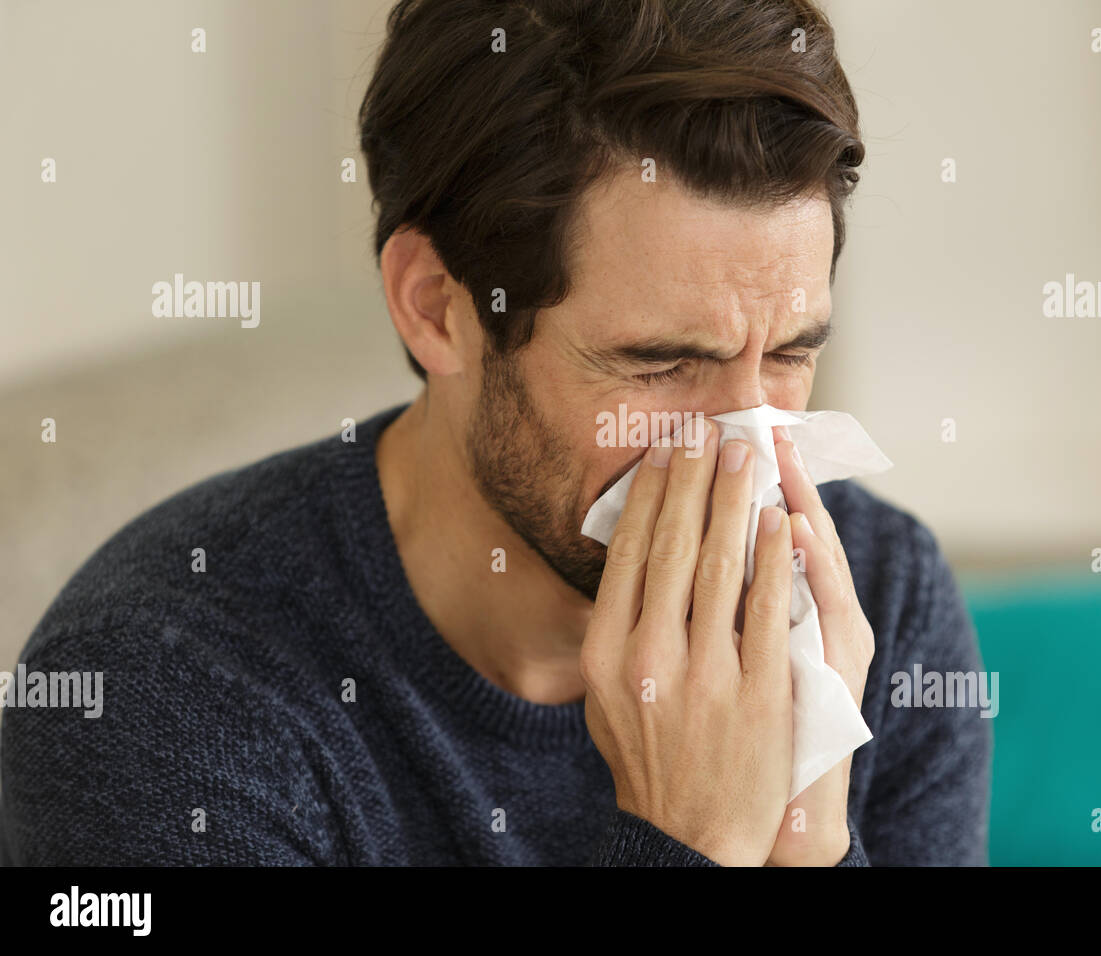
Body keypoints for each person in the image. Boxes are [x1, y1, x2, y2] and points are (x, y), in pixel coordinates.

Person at [0, 0, 990, 866]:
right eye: (659, 363)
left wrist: (810, 847)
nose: (748, 446)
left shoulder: (877, 595)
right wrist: (687, 844)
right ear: (435, 307)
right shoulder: (163, 693)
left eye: (787, 353)